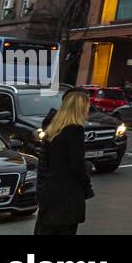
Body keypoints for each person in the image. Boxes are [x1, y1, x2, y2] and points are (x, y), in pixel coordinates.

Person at [34, 88, 93, 235]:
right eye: (87, 105)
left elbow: (44, 163)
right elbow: (77, 166)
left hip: (49, 192)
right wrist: (87, 182)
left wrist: (42, 189)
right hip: (67, 196)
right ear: (79, 107)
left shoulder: (53, 129)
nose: (89, 108)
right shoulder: (75, 131)